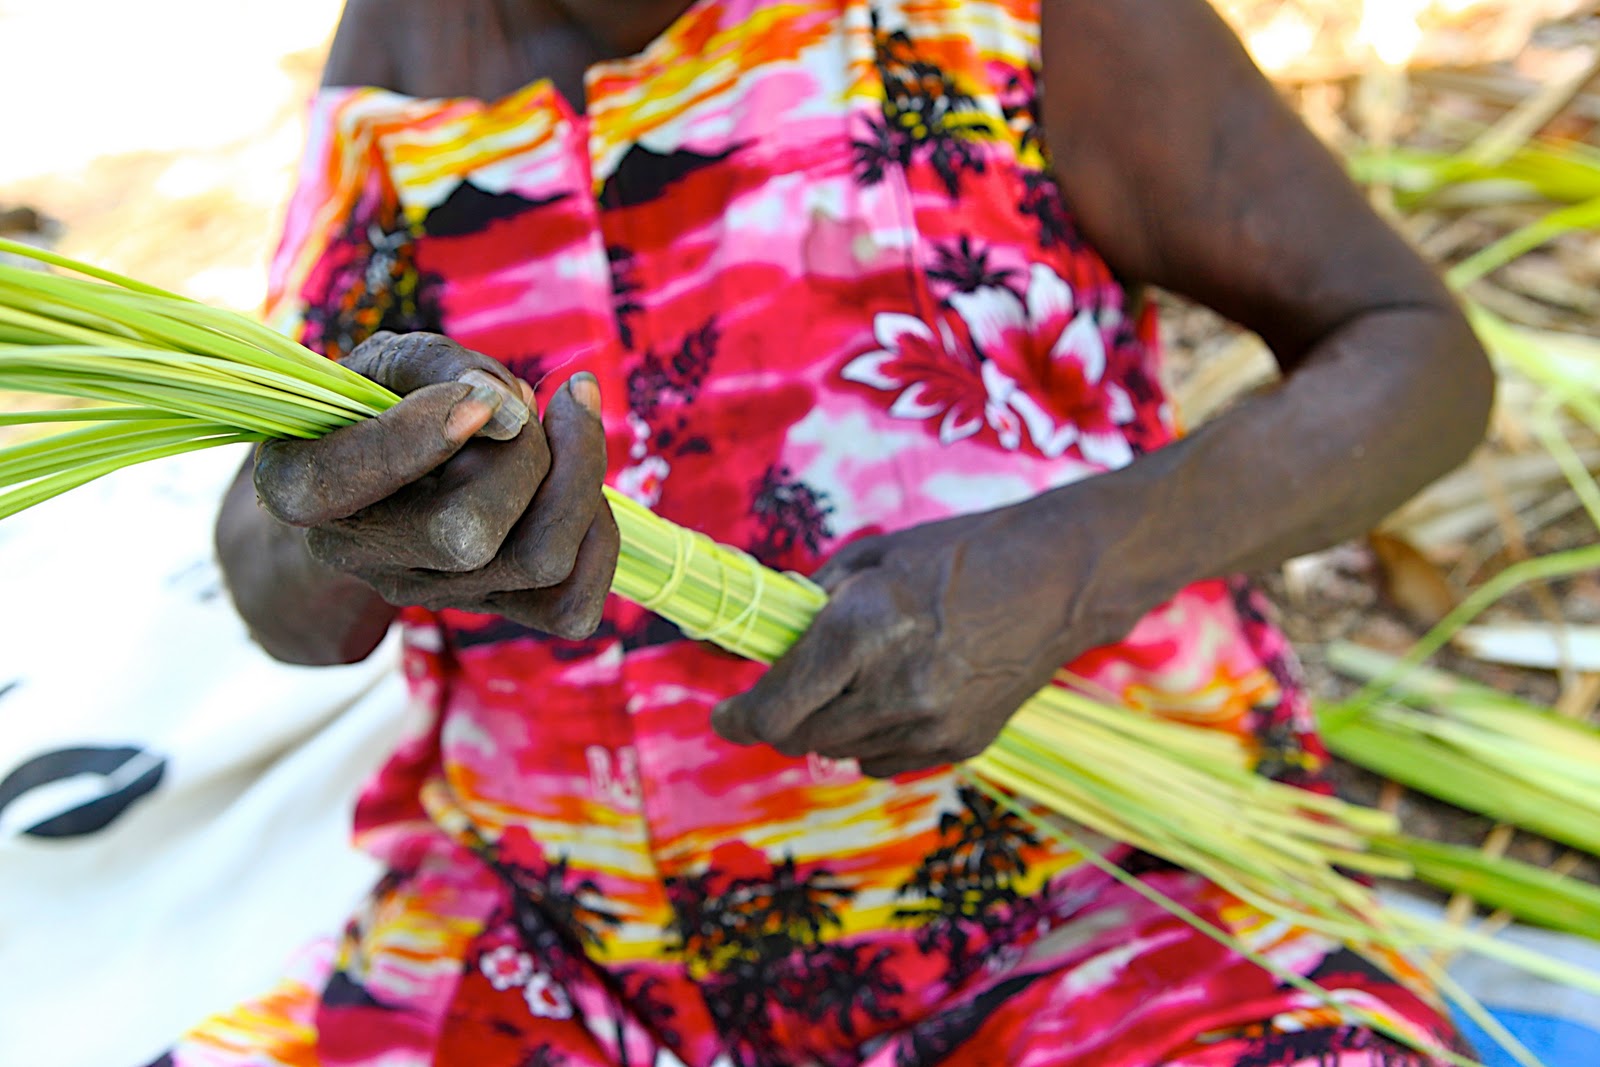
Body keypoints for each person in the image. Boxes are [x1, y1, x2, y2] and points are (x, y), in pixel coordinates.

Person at [174, 0, 1494, 1063]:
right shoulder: (405, 67)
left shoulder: (1018, 19)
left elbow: (1416, 355)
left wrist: (1078, 560)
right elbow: (276, 584)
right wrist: (349, 519)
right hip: (559, 960)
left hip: (1107, 921)